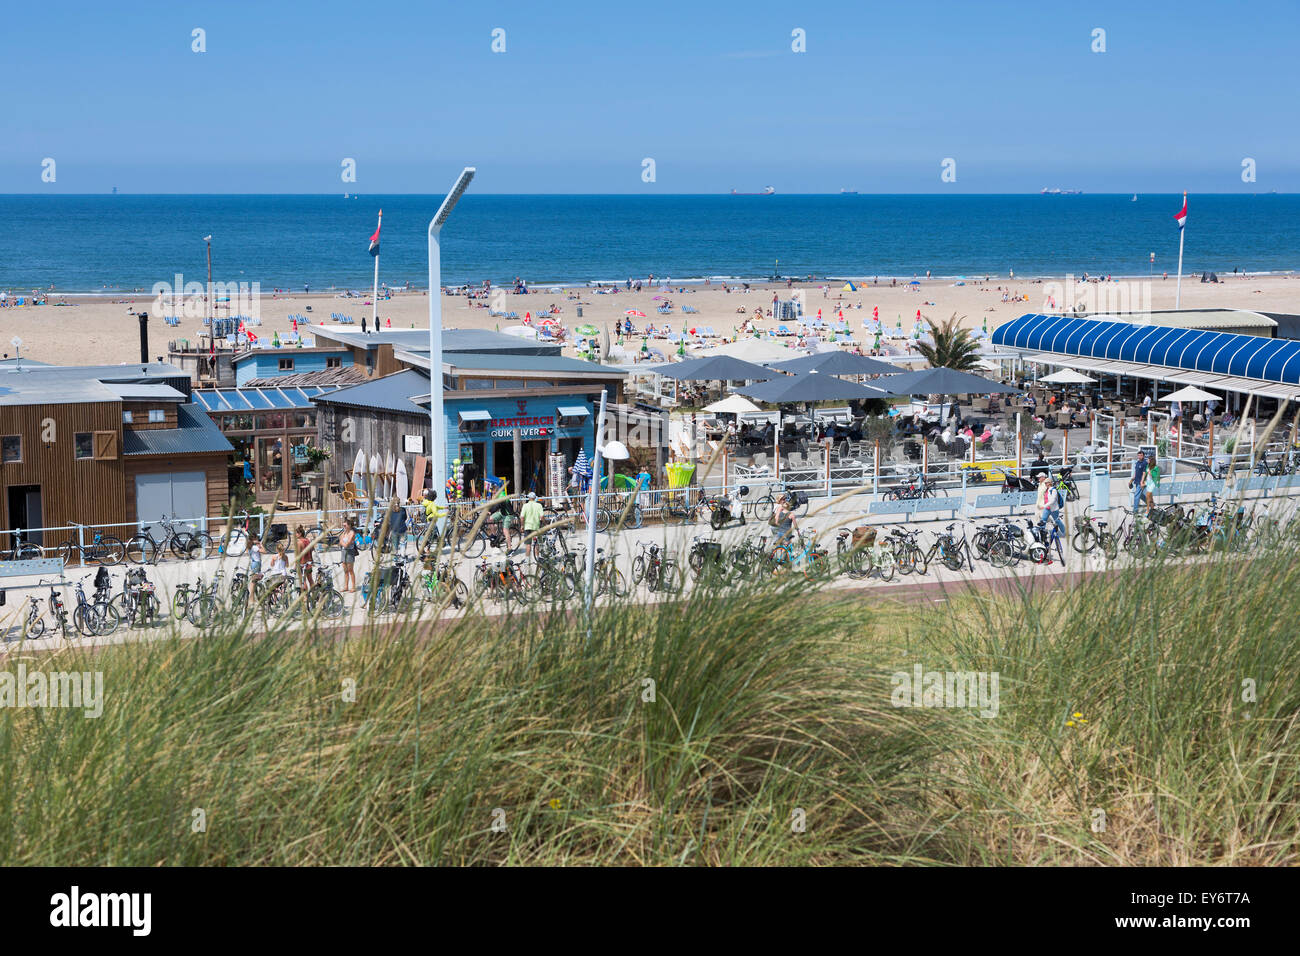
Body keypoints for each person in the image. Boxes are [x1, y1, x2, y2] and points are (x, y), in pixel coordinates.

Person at [1037, 473, 1066, 541]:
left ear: (1049, 483)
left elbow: (1052, 500)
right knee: (1043, 521)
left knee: (1057, 520)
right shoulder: (1046, 490)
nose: (1045, 484)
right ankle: (1042, 534)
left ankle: (1064, 531)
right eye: (1045, 483)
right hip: (1047, 509)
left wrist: (1044, 506)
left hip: (1054, 509)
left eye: (1046, 483)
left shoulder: (1053, 490)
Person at [520, 491, 545, 559]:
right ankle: (537, 558)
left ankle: (527, 559)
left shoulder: (525, 506)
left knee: (528, 544)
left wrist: (522, 526)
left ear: (529, 498)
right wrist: (544, 524)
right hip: (536, 527)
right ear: (535, 498)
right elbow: (542, 517)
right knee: (536, 543)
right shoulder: (539, 505)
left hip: (527, 527)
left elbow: (522, 517)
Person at [339, 518, 358, 593]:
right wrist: (342, 543)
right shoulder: (344, 532)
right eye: (343, 525)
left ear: (349, 525)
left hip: (350, 552)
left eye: (345, 525)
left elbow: (347, 544)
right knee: (345, 571)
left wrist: (342, 542)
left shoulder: (352, 533)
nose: (344, 527)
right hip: (343, 552)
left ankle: (353, 587)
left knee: (350, 570)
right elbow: (340, 541)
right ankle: (346, 586)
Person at [294, 524, 315, 589]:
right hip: (309, 563)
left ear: (300, 534)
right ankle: (315, 594)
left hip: (302, 564)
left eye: (296, 533)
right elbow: (312, 549)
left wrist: (295, 565)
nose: (295, 535)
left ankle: (306, 597)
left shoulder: (299, 542)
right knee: (310, 580)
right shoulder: (308, 540)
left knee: (303, 581)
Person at [246, 532, 264, 602]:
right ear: (254, 539)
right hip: (256, 564)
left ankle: (253, 597)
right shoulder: (254, 547)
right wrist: (260, 544)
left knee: (254, 581)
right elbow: (264, 551)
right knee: (253, 582)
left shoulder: (249, 546)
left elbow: (247, 552)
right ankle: (251, 598)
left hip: (253, 563)